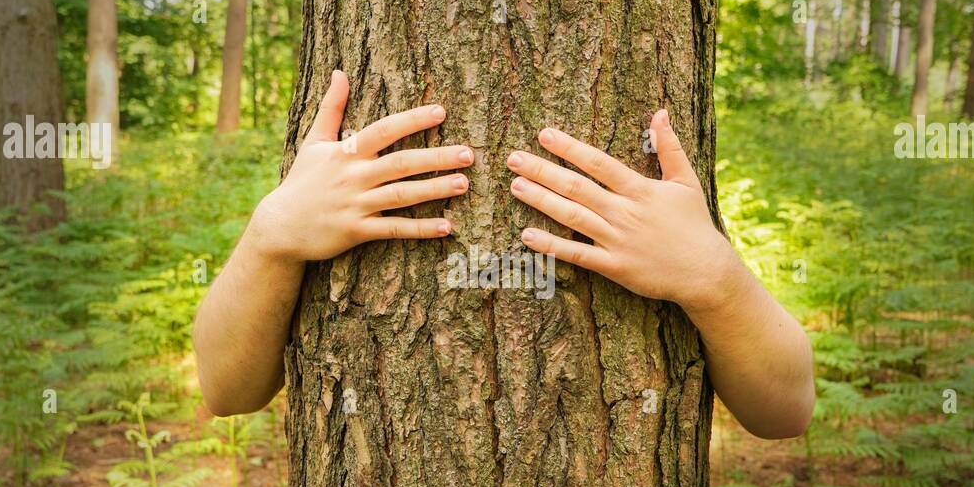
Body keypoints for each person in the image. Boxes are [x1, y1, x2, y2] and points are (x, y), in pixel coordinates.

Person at [193, 70, 814, 439]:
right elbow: (227, 390)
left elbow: (785, 411)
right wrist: (270, 233)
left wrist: (714, 278)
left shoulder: (676, 196)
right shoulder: (310, 190)